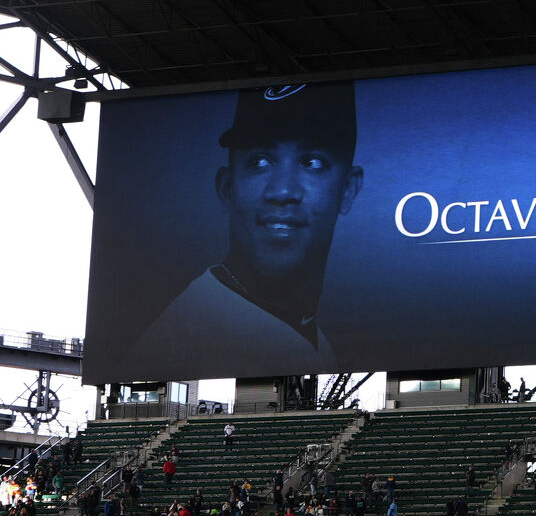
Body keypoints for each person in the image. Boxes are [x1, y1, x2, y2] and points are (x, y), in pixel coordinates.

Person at [132, 82, 364, 376]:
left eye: (312, 162)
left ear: (348, 189)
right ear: (227, 188)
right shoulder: (187, 334)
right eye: (260, 161)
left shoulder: (305, 330)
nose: (282, 191)